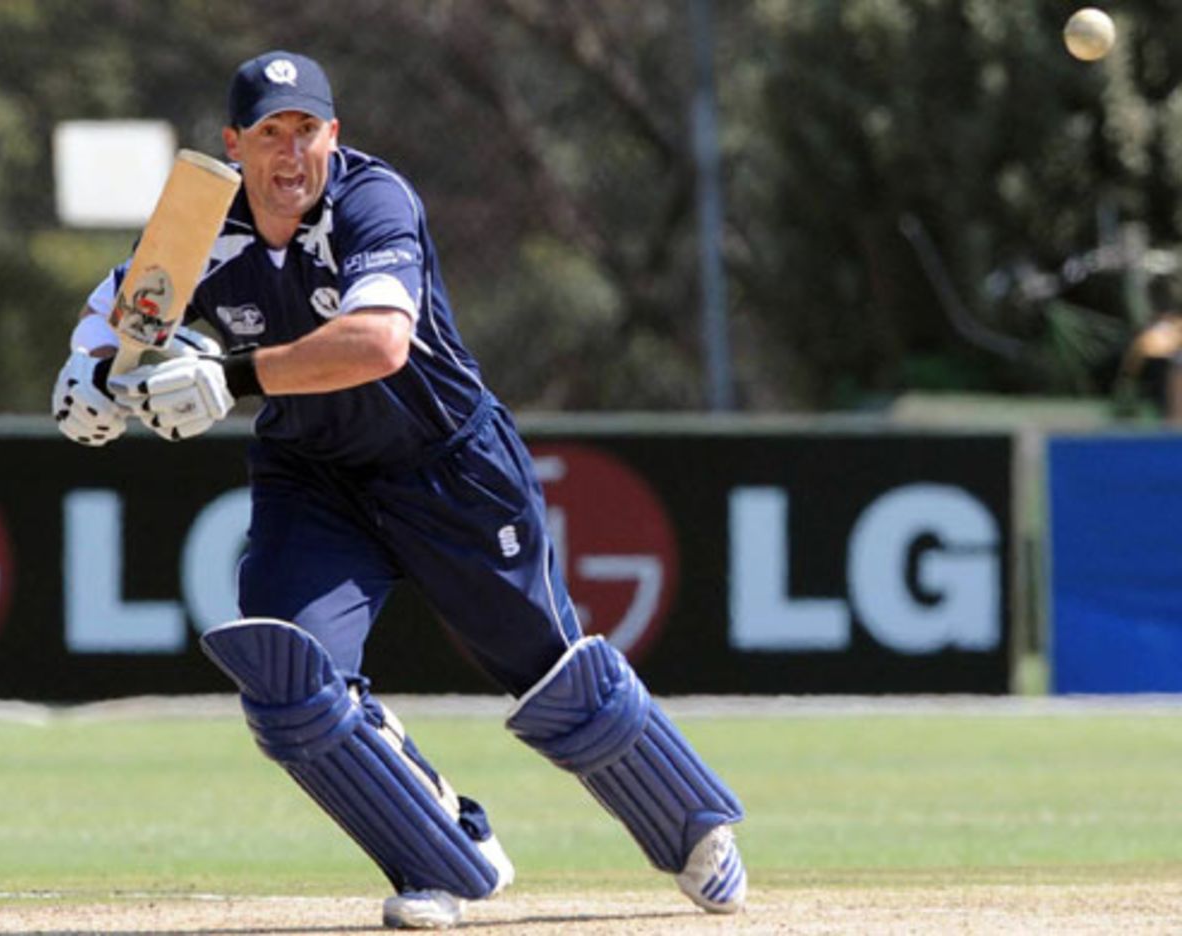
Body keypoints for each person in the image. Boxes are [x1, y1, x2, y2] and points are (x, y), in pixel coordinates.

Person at [50, 50, 746, 929]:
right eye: (271, 134)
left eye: (309, 131)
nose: (292, 153)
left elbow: (377, 342)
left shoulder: (372, 200)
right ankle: (444, 858)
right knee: (288, 678)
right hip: (315, 476)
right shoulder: (195, 223)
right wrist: (91, 380)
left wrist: (233, 377)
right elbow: (120, 317)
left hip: (447, 461)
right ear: (236, 144)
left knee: (546, 664)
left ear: (333, 136)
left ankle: (693, 825)